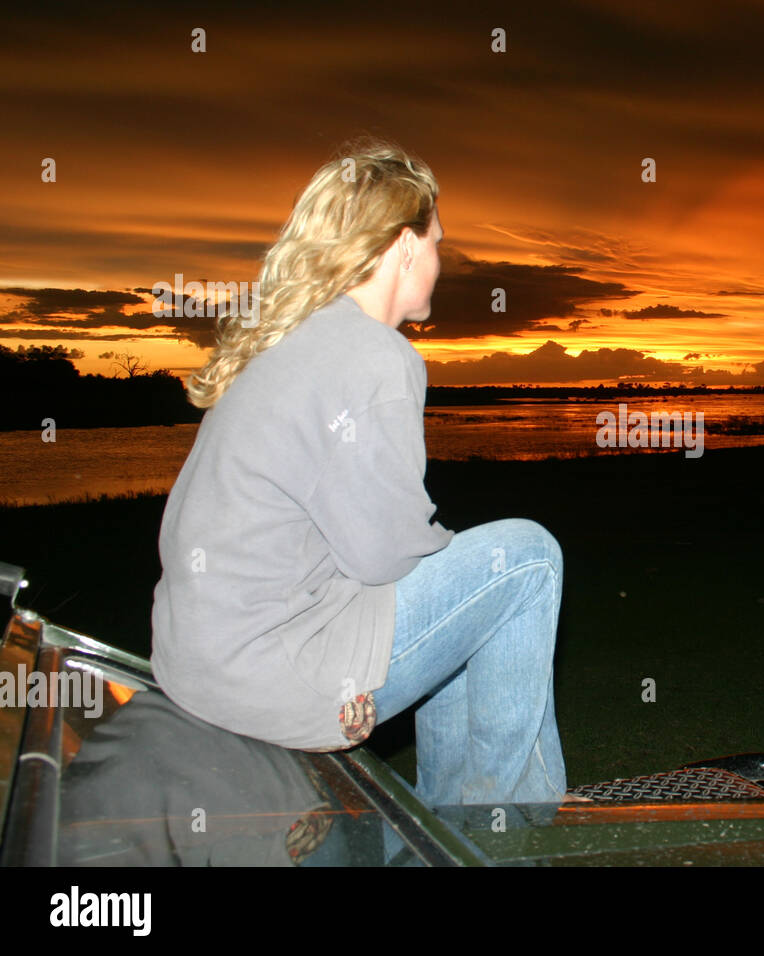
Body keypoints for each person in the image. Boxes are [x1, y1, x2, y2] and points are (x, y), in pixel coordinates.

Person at [150, 138, 570, 806]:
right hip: (274, 670)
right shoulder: (373, 354)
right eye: (437, 241)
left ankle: (456, 824)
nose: (439, 259)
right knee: (527, 560)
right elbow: (386, 552)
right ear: (404, 247)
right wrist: (444, 551)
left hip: (205, 659)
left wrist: (442, 555)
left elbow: (356, 536)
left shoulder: (295, 336)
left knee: (478, 586)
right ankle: (517, 828)